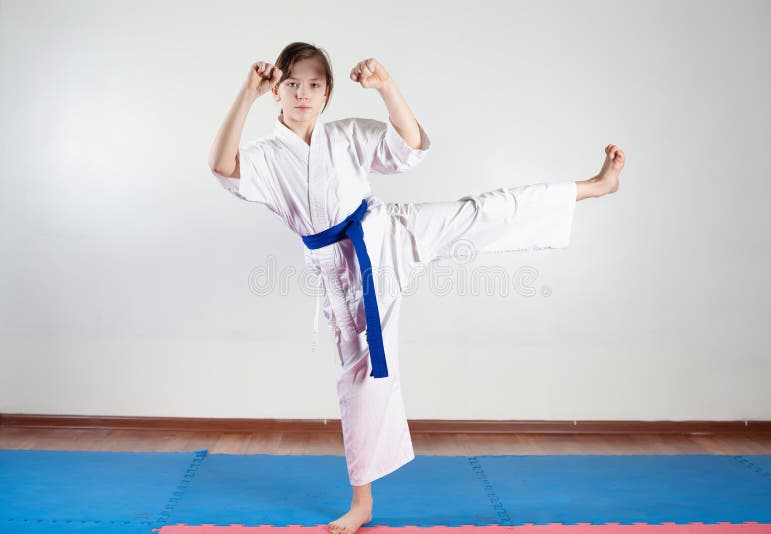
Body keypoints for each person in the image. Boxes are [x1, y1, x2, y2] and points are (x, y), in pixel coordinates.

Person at [208, 41, 624, 534]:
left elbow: (411, 146)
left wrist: (386, 87)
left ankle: (594, 187)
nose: (303, 93)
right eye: (293, 83)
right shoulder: (265, 156)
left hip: (386, 229)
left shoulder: (346, 135)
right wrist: (245, 94)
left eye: (315, 84)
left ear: (328, 94)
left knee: (477, 211)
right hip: (341, 270)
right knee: (359, 380)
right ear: (277, 90)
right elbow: (222, 165)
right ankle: (361, 503)